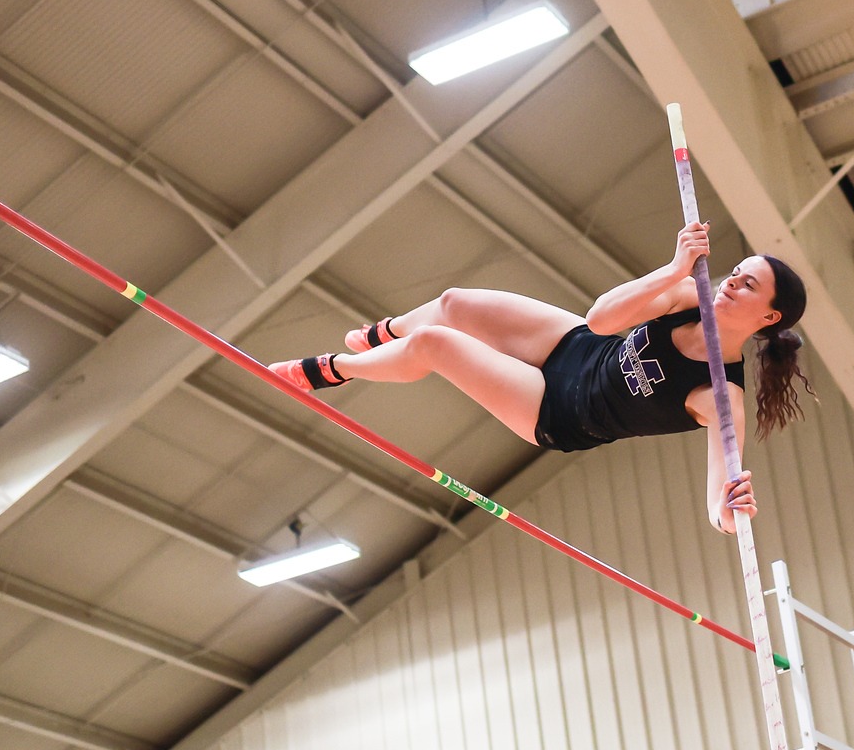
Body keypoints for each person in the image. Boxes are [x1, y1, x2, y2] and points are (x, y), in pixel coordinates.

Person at [270, 222, 811, 533]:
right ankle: (384, 335)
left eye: (747, 286)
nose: (730, 284)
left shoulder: (721, 396)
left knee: (436, 344)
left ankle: (335, 372)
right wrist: (672, 270)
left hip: (556, 411)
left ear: (769, 318)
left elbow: (719, 502)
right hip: (575, 345)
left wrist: (731, 513)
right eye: (735, 273)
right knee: (454, 303)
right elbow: (601, 319)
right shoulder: (687, 293)